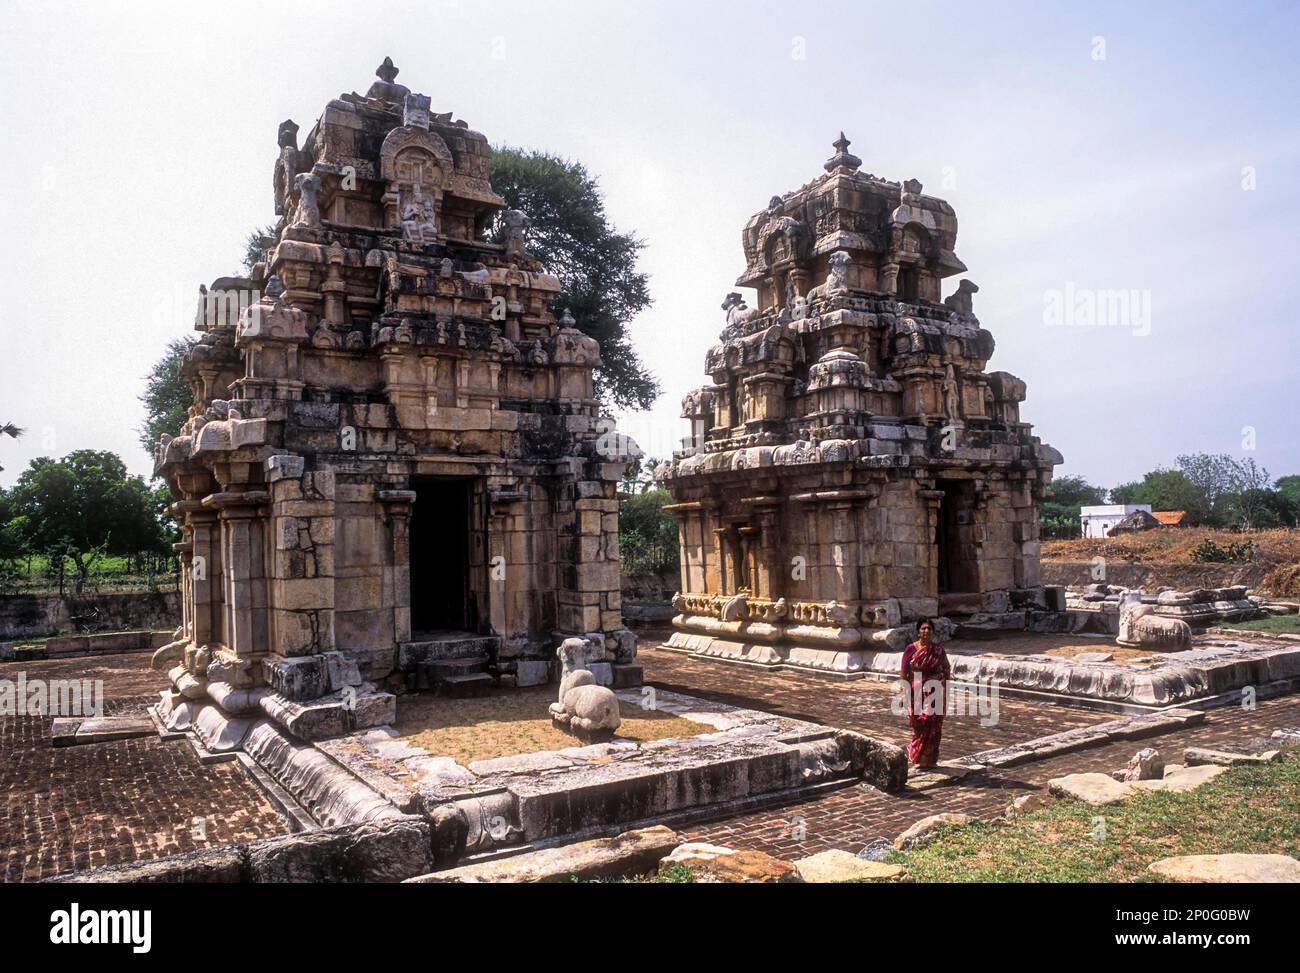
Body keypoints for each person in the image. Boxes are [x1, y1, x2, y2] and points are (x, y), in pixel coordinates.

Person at [900, 618, 951, 768]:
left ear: (933, 631)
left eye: (929, 628)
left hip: (935, 691)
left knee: (934, 724)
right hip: (916, 690)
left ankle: (929, 760)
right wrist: (904, 692)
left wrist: (945, 688)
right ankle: (916, 755)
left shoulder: (939, 650)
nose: (926, 631)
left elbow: (946, 668)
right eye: (923, 628)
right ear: (918, 632)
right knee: (919, 724)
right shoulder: (911, 649)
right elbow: (904, 672)